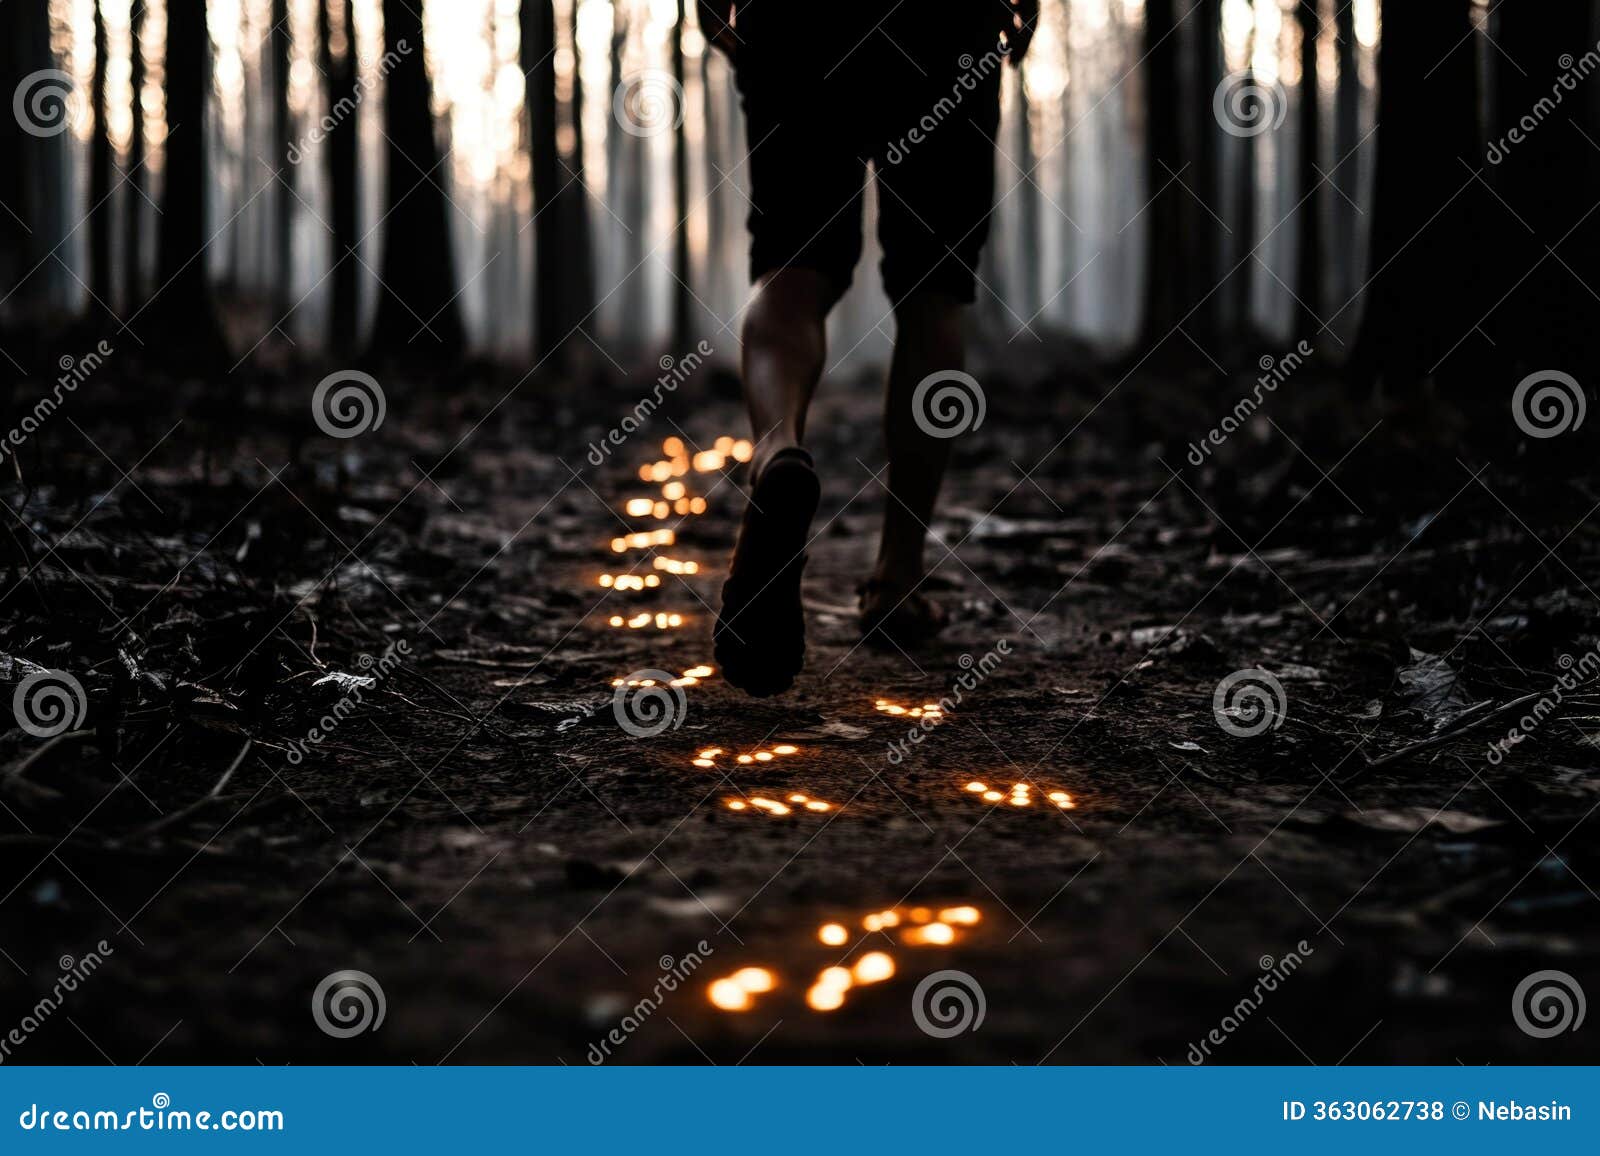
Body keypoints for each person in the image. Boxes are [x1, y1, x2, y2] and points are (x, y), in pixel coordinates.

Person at [701, 0, 1037, 698]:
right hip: (943, 23)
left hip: (799, 22)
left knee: (791, 270)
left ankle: (776, 455)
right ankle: (897, 578)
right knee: (934, 293)